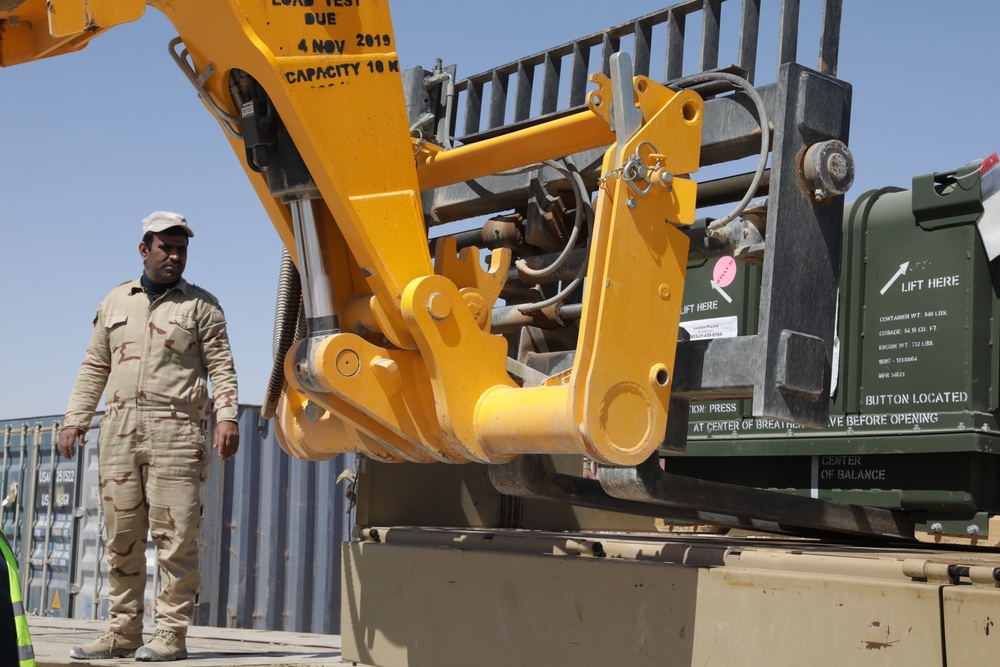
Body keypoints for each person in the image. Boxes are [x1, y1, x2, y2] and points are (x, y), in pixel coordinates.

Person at [58, 211, 239, 662]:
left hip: (176, 432)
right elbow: (95, 365)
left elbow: (221, 367)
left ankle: (170, 636)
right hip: (119, 430)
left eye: (181, 249)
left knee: (176, 537)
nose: (175, 256)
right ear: (145, 250)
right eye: (166, 247)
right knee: (122, 536)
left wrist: (227, 416)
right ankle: (122, 632)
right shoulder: (116, 301)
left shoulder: (201, 306)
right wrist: (75, 419)